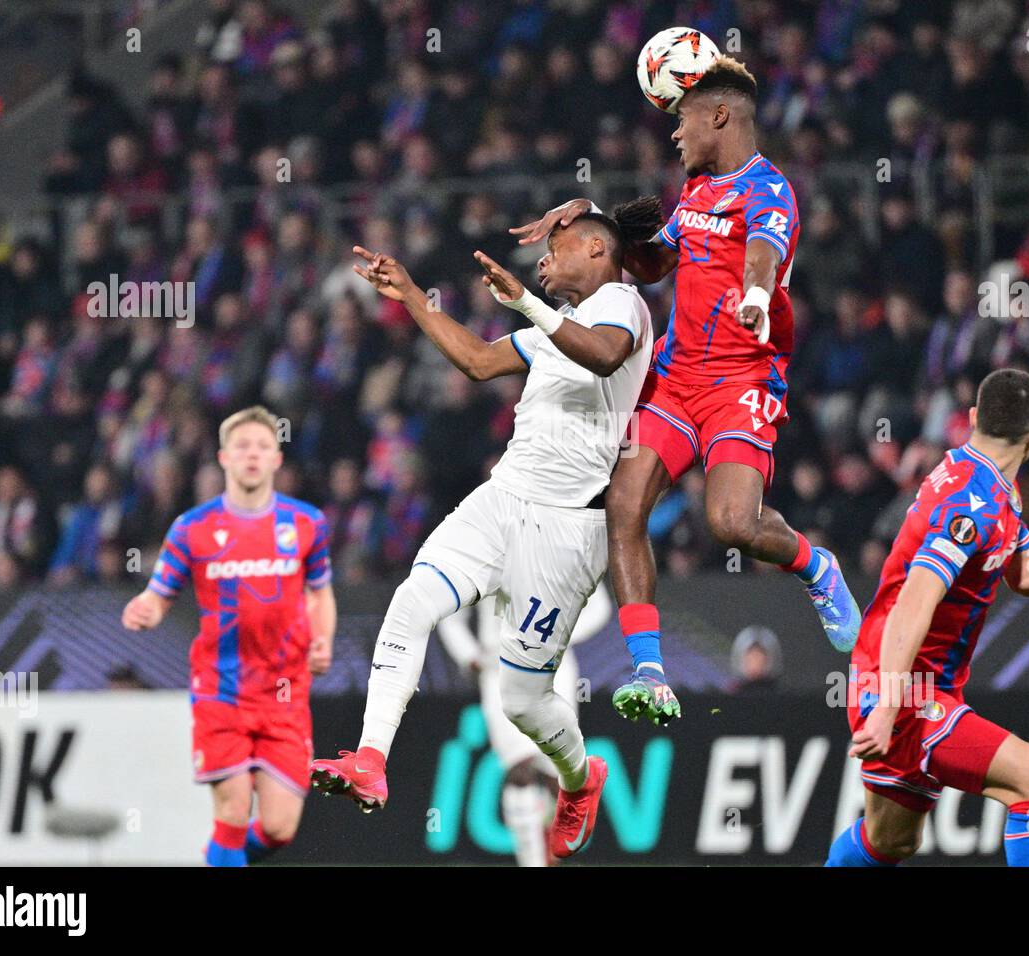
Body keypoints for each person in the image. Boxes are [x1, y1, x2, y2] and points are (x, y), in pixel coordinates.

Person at [511, 57, 860, 727]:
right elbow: (655, 264)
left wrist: (757, 296)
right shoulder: (696, 192)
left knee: (732, 524)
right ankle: (650, 670)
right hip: (675, 379)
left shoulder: (770, 193)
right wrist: (597, 226)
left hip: (742, 382)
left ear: (719, 117)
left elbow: (762, 253)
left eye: (682, 119)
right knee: (624, 503)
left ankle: (816, 566)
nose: (674, 134)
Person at [309, 198, 661, 859]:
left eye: (555, 251)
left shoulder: (622, 308)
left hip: (565, 529)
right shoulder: (555, 324)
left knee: (527, 701)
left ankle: (580, 782)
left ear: (594, 250)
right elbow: (475, 360)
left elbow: (606, 358)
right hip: (503, 499)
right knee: (413, 601)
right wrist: (412, 295)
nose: (544, 262)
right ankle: (370, 757)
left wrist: (530, 302)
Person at [827, 369, 1029, 867]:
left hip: (907, 681)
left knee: (892, 841)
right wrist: (887, 708)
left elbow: (1026, 571)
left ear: (973, 418)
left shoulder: (987, 483)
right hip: (904, 690)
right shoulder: (973, 505)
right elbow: (915, 600)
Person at [120, 406, 336, 867]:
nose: (252, 455)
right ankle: (225, 850)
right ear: (223, 458)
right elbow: (160, 592)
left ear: (277, 459)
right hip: (221, 691)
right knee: (234, 809)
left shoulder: (306, 524)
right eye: (242, 446)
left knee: (279, 829)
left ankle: (221, 858)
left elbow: (320, 593)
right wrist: (148, 608)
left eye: (262, 446)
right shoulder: (192, 528)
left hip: (285, 692)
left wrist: (323, 639)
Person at [437, 586, 613, 867]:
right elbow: (449, 610)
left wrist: (558, 636)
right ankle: (531, 862)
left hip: (552, 667)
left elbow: (599, 607)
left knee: (557, 772)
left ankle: (557, 857)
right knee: (520, 766)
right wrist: (468, 654)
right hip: (499, 669)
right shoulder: (480, 544)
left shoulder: (568, 542)